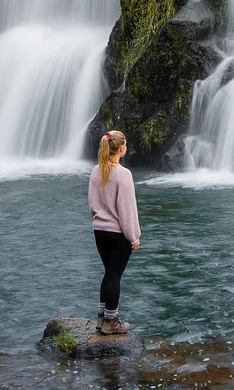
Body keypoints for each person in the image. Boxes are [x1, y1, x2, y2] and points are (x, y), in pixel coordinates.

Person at [87, 129, 141, 335]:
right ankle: (112, 321)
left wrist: (98, 219)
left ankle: (101, 318)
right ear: (121, 148)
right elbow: (127, 209)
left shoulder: (95, 171)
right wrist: (133, 236)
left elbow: (92, 204)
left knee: (109, 274)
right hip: (118, 234)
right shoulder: (123, 174)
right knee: (114, 276)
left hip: (99, 230)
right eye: (125, 144)